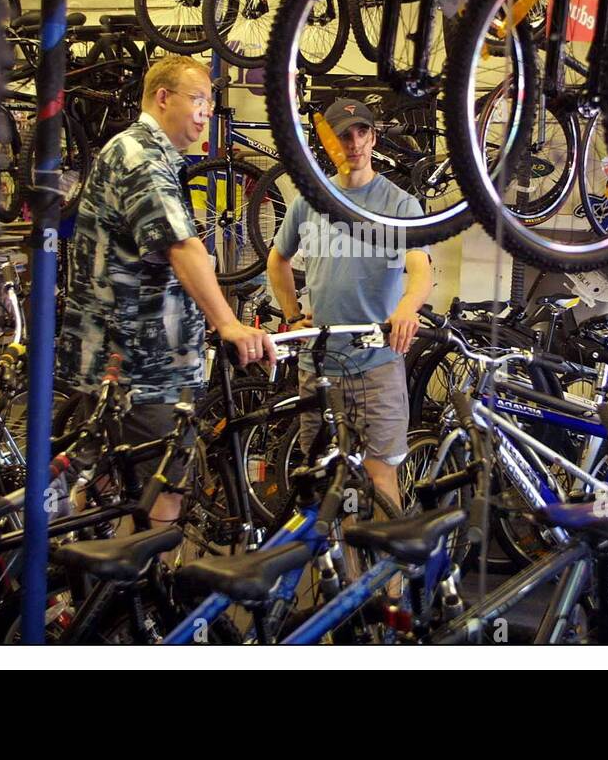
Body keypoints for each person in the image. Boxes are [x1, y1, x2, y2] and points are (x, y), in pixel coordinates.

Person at [56, 55, 275, 527]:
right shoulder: (140, 158)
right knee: (164, 495)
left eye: (209, 104)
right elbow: (181, 245)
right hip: (143, 369)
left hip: (122, 365)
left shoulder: (140, 155)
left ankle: (71, 585)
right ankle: (141, 595)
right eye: (197, 100)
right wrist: (229, 324)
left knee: (93, 484)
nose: (204, 114)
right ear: (162, 97)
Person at [267, 98, 433, 513]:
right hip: (319, 366)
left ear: (374, 138)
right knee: (322, 481)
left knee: (380, 480)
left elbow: (421, 269)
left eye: (363, 133)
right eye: (344, 135)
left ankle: (387, 581)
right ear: (330, 144)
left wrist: (408, 307)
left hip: (376, 365)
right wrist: (290, 314)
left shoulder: (400, 206)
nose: (354, 143)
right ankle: (335, 576)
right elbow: (278, 259)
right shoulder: (310, 200)